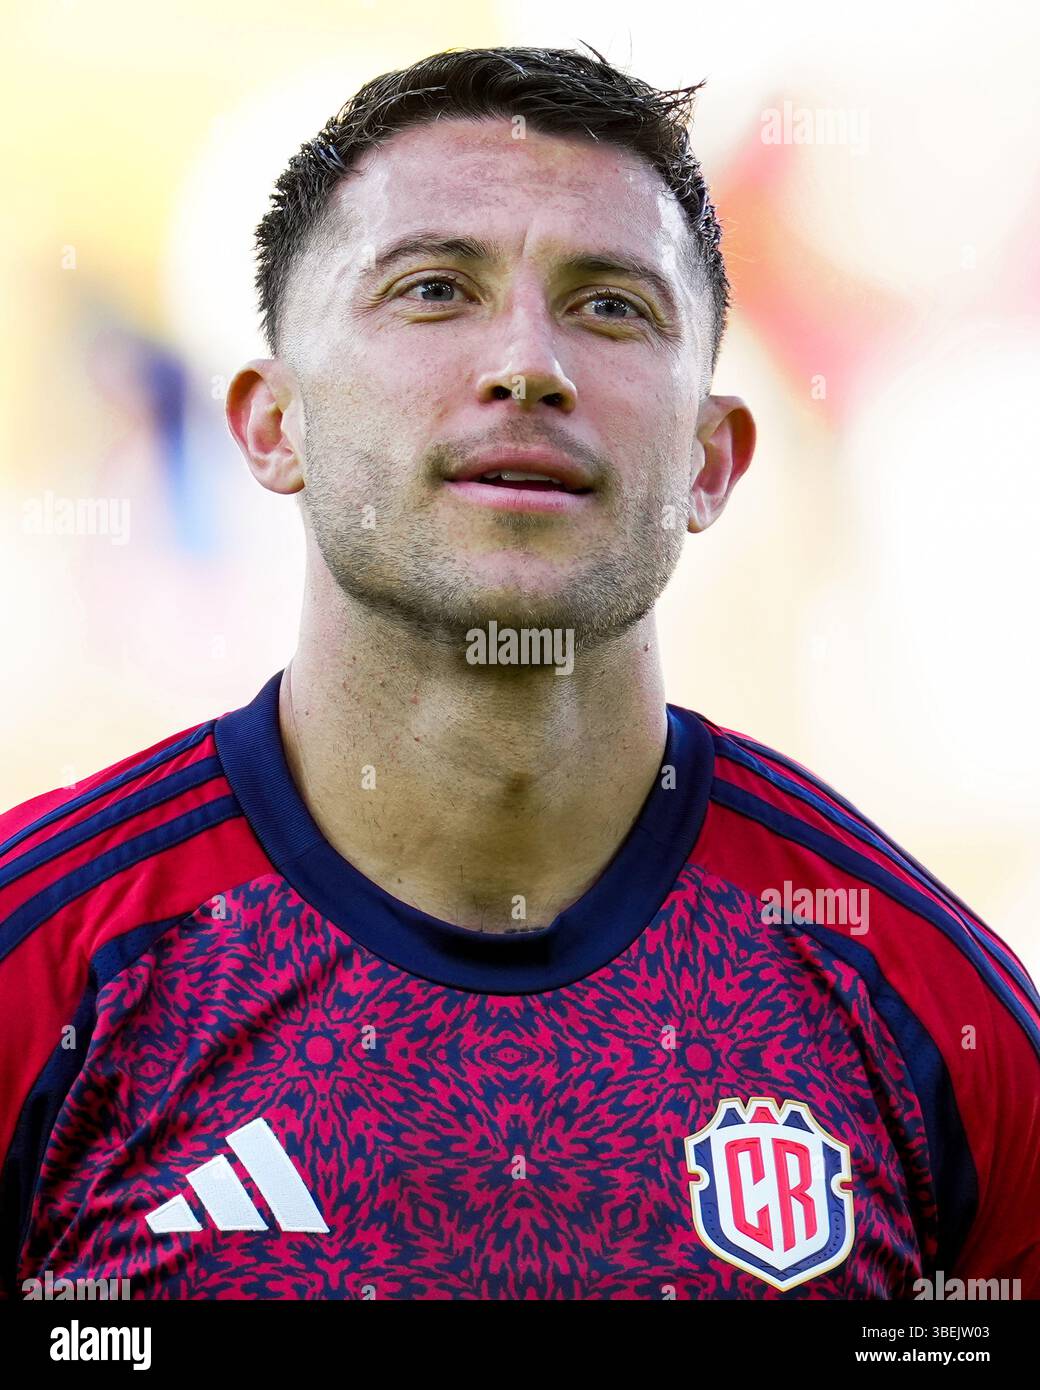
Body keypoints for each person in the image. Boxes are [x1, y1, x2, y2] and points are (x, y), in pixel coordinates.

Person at [2, 44, 1037, 1301]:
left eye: (610, 305)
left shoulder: (932, 1011)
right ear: (273, 427)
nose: (527, 366)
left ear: (711, 459)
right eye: (435, 289)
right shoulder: (44, 965)